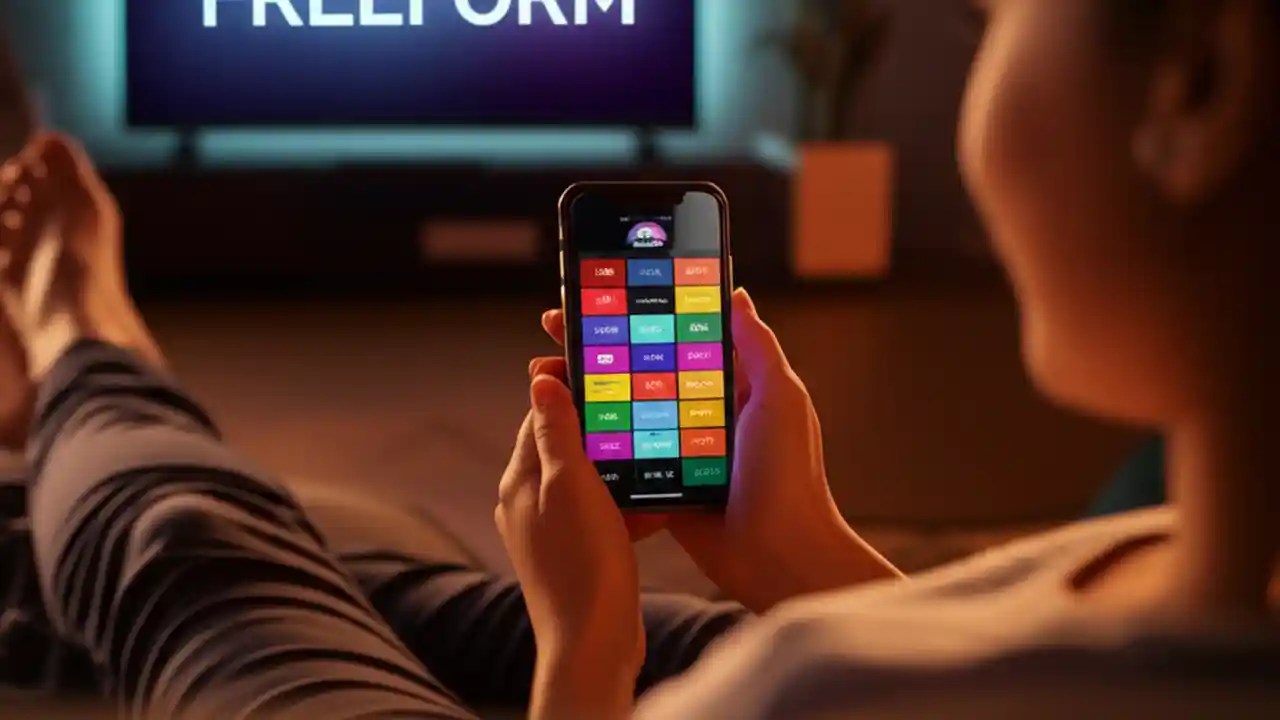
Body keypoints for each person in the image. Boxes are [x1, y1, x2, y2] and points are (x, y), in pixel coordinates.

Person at [1, 0, 1278, 717]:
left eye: (1000, 14)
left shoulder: (807, 696)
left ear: (1200, 87)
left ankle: (78, 341)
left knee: (180, 544)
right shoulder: (1209, 576)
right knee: (360, 577)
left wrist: (587, 654)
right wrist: (794, 555)